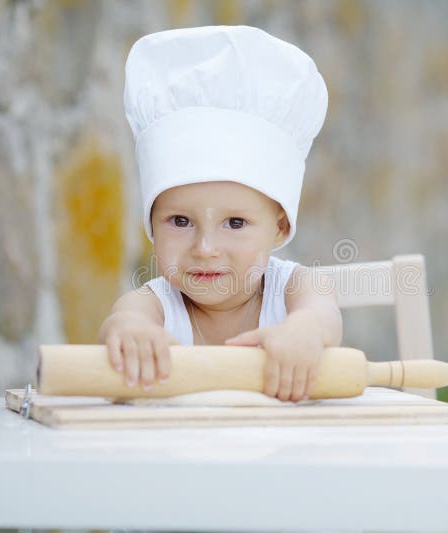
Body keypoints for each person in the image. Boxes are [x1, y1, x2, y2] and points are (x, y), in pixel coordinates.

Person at [98, 25, 341, 403]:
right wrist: (130, 332)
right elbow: (122, 321)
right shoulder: (155, 305)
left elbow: (322, 313)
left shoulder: (292, 289)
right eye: (180, 221)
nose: (205, 248)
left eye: (235, 223)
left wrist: (305, 330)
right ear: (150, 224)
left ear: (279, 227)